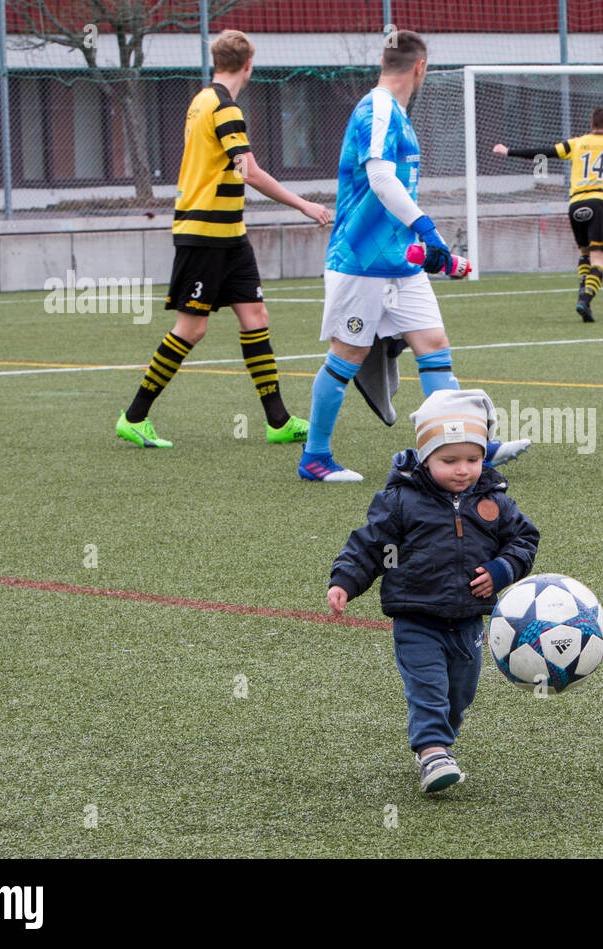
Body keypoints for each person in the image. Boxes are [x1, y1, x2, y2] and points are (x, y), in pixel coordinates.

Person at [301, 30, 529, 482]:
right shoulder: (380, 106)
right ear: (419, 67)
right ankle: (315, 457)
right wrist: (428, 228)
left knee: (434, 346)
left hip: (401, 263)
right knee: (345, 356)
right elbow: (382, 178)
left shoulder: (397, 113)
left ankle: (468, 442)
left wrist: (423, 242)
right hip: (361, 261)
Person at [116, 29, 330, 449]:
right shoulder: (224, 107)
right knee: (191, 329)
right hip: (204, 233)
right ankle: (134, 416)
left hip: (231, 234)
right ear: (249, 65)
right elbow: (247, 170)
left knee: (256, 317)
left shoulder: (201, 100)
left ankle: (278, 421)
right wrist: (303, 204)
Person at [328, 389, 540, 793]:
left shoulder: (493, 500)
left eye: (473, 460)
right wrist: (345, 581)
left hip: (468, 621)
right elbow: (372, 546)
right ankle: (431, 751)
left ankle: (441, 745)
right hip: (416, 616)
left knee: (460, 692)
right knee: (428, 687)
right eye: (449, 460)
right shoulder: (400, 501)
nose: (463, 470)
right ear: (425, 457)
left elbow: (523, 541)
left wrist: (501, 569)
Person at [492, 109, 603, 323]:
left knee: (585, 254)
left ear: (591, 124)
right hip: (600, 205)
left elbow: (543, 152)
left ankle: (583, 299)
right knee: (599, 260)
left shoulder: (575, 143)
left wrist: (508, 151)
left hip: (575, 206)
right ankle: (584, 300)